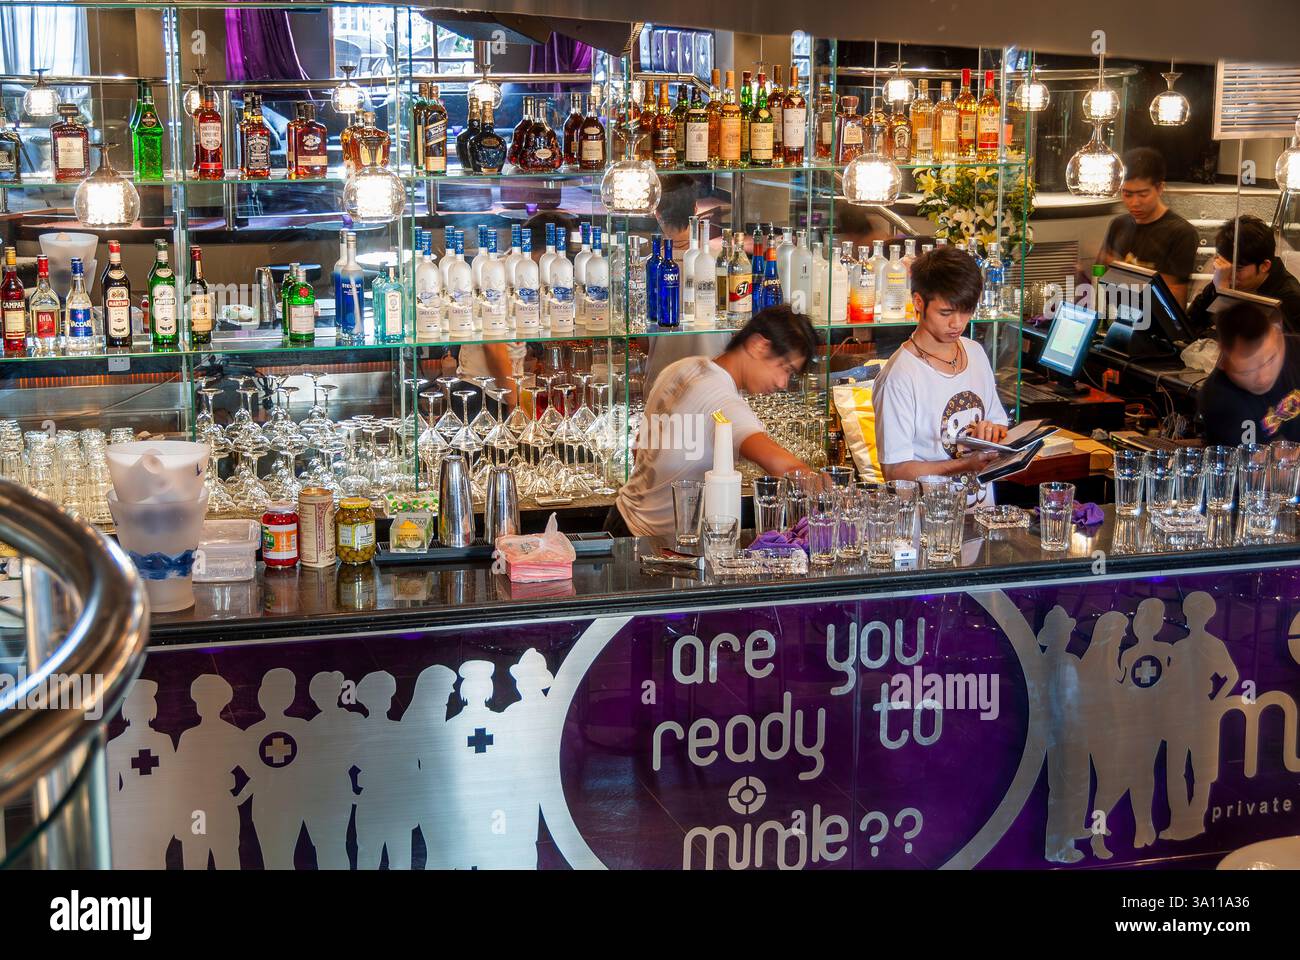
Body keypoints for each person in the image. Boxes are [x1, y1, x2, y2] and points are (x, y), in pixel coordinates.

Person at [608, 305, 820, 538]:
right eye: (785, 369)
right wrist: (822, 486)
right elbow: (786, 468)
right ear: (758, 346)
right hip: (653, 542)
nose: (782, 383)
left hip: (621, 517)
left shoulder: (682, 367)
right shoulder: (725, 404)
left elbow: (639, 447)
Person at [874, 247, 1009, 490]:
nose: (957, 323)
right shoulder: (899, 376)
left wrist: (991, 432)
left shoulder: (975, 353)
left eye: (966, 311)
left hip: (980, 514)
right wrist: (965, 465)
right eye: (945, 312)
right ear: (918, 302)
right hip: (928, 523)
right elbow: (894, 471)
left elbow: (999, 425)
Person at [643, 175, 731, 392]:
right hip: (714, 382)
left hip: (663, 386)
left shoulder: (647, 267)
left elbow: (643, 342)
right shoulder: (721, 261)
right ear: (695, 208)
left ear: (656, 212)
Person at [1097, 147, 1199, 308]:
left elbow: (1174, 298)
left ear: (1159, 188)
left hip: (1153, 327)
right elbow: (1101, 277)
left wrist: (1121, 269)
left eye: (1143, 194)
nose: (1134, 203)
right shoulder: (1119, 225)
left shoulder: (1181, 233)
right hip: (1114, 318)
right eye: (1127, 194)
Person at [1198, 301, 1300, 445]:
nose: (1263, 378)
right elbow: (1254, 462)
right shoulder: (1219, 399)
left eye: (1270, 360)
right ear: (1223, 361)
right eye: (1247, 372)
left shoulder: (1296, 350)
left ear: (1278, 333)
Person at [1188, 215, 1300, 335]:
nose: (1230, 275)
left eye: (1238, 269)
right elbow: (1190, 325)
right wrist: (1219, 289)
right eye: (1223, 265)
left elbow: (1240, 346)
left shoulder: (1290, 298)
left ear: (1265, 266)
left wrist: (1224, 292)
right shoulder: (1226, 276)